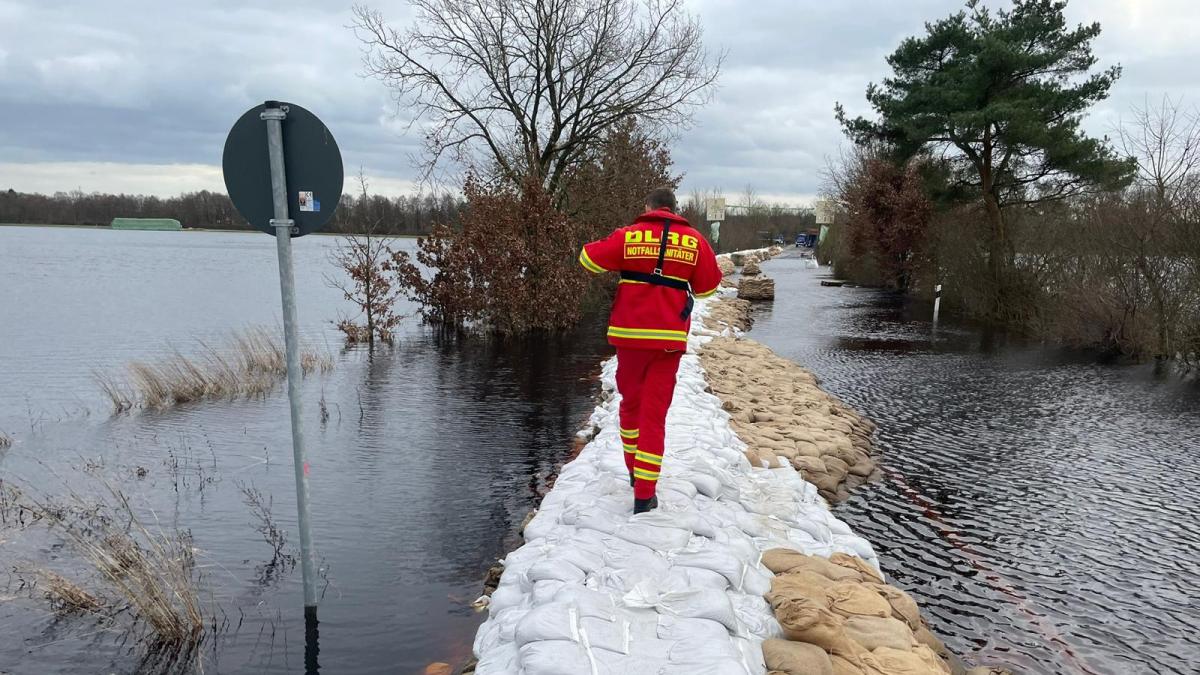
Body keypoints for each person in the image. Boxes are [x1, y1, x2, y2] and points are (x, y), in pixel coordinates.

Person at [578, 188, 722, 514]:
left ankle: (633, 470)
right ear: (674, 209)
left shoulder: (629, 235)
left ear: (648, 208)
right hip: (668, 341)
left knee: (631, 407)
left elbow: (588, 258)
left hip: (629, 338)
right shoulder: (695, 240)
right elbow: (710, 287)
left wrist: (623, 249)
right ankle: (644, 496)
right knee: (654, 415)